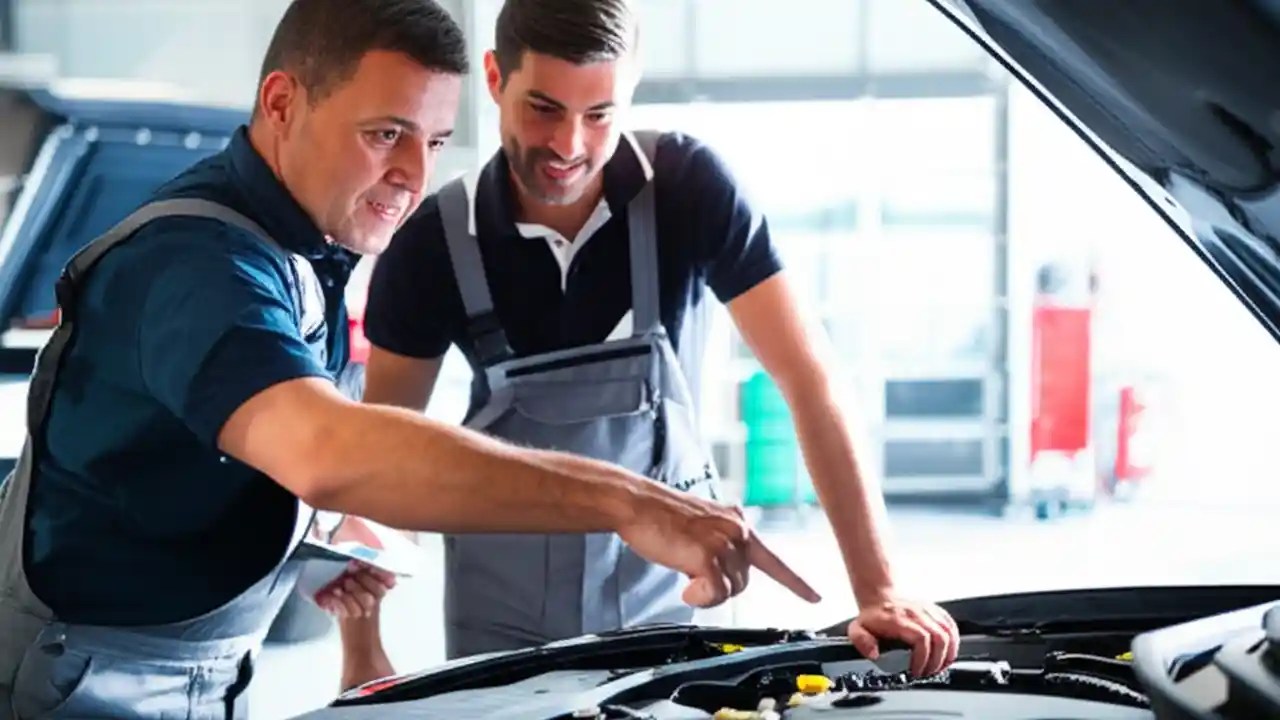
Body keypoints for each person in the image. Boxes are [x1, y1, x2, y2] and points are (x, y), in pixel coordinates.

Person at [0, 0, 819, 717]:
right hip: (81, 680)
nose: (413, 173)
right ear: (283, 102)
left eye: (430, 139)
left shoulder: (307, 252)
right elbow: (324, 450)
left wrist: (323, 570)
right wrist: (629, 504)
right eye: (384, 133)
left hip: (207, 666)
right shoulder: (200, 263)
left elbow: (244, 464)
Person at [354, 0, 963, 680]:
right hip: (501, 622)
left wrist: (877, 589)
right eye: (544, 109)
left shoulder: (690, 191)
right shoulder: (430, 244)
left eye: (600, 114)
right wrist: (362, 653)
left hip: (672, 602)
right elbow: (377, 459)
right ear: (495, 78)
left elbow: (808, 379)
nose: (569, 146)